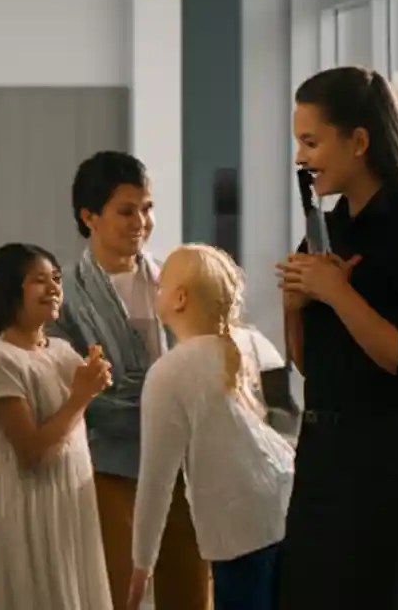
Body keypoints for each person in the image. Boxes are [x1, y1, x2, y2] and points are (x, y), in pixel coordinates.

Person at [275, 66, 398, 608]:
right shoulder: (328, 229)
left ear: (358, 141)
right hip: (319, 456)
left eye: (311, 142)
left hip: (378, 465)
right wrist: (294, 307)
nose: (301, 158)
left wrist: (337, 292)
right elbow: (311, 365)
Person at [51, 151, 212, 610]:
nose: (141, 222)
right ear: (89, 216)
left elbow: (203, 366)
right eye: (126, 210)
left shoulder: (176, 280)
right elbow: (78, 392)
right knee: (118, 593)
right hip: (110, 466)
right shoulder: (64, 296)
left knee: (191, 591)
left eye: (147, 208)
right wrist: (163, 399)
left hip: (182, 462)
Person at [128, 244, 295, 610]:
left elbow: (156, 480)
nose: (155, 289)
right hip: (287, 507)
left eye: (161, 284)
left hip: (236, 532)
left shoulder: (168, 374)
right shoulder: (254, 343)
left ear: (180, 299)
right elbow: (288, 416)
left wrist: (142, 563)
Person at [0, 242, 114, 610]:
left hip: (71, 499)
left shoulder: (61, 350)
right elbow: (31, 452)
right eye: (39, 280)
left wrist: (94, 381)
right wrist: (81, 396)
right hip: (33, 506)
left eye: (57, 279)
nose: (53, 288)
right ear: (8, 291)